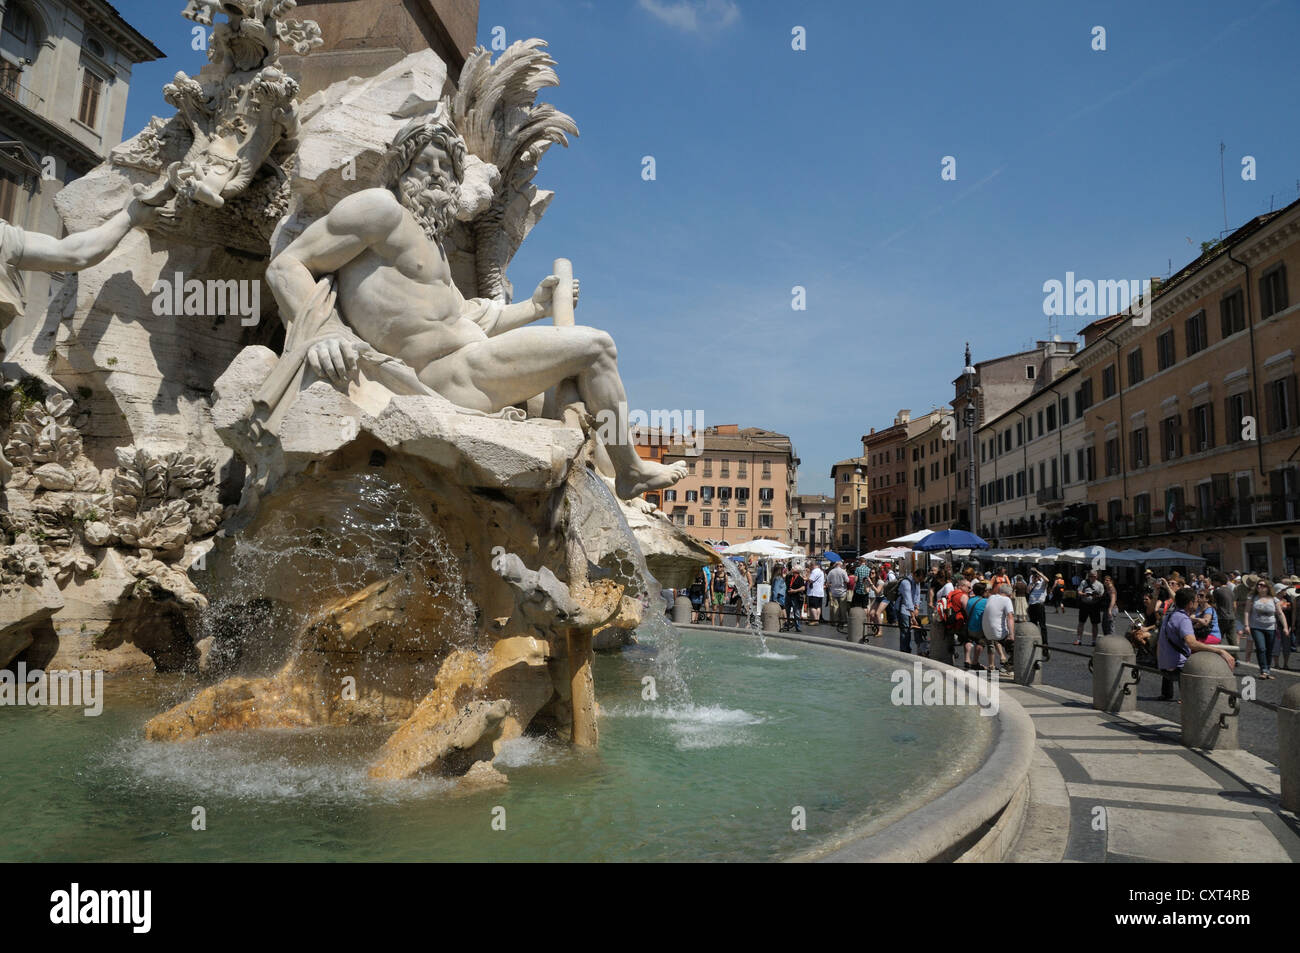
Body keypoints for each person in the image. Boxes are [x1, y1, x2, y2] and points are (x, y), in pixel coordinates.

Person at [262, 116, 687, 502]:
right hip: (441, 377)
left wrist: (533, 307)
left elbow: (467, 317)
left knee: (566, 392)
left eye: (445, 168)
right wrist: (325, 330)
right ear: (400, 171)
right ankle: (631, 470)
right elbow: (287, 265)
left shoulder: (434, 246)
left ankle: (609, 480)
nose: (436, 175)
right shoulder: (379, 208)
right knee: (597, 347)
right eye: (423, 165)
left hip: (468, 366)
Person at [1158, 587, 1236, 700]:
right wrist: (1220, 651)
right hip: (1177, 667)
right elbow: (1192, 644)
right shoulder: (1183, 619)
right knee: (1208, 670)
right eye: (1195, 600)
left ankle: (1170, 694)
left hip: (1163, 664)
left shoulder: (1168, 616)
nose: (1197, 602)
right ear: (1190, 603)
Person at [1247, 577, 1289, 680]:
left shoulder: (1274, 599)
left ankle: (1268, 670)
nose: (1260, 587)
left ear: (1267, 587)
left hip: (1270, 627)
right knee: (1261, 648)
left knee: (1269, 650)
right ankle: (1263, 670)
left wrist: (1285, 627)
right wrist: (1246, 625)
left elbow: (1280, 613)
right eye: (1258, 585)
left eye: (1262, 585)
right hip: (1256, 627)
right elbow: (1247, 612)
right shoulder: (1252, 598)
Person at [982, 583, 1016, 675]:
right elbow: (1010, 617)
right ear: (1009, 594)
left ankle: (1008, 663)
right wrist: (1011, 635)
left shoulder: (991, 597)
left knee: (1009, 645)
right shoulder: (1006, 600)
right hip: (998, 633)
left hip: (987, 632)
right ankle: (1007, 668)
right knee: (1018, 647)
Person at [896, 567, 924, 655]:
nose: (919, 582)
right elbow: (907, 600)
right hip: (903, 609)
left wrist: (917, 607)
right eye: (919, 579)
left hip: (911, 609)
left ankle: (910, 649)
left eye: (921, 580)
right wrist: (912, 615)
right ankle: (905, 651)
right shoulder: (905, 583)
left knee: (913, 629)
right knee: (905, 631)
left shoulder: (917, 582)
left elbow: (917, 595)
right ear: (915, 575)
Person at [1074, 570, 1104, 646]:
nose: (1091, 578)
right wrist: (1084, 594)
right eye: (1090, 576)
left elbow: (1102, 595)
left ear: (1096, 576)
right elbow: (1079, 591)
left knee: (1095, 624)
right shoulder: (1084, 582)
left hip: (1095, 605)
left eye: (1093, 576)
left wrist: (1096, 596)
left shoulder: (1099, 585)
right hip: (1084, 604)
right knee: (1081, 622)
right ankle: (1078, 639)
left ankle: (1094, 641)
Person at [965, 582, 990, 671]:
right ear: (983, 591)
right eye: (986, 590)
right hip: (979, 628)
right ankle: (975, 662)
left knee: (969, 640)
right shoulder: (986, 601)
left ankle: (967, 659)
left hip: (969, 627)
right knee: (981, 643)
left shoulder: (969, 600)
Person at [1027, 568, 1049, 642]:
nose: (1036, 577)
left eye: (1037, 576)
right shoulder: (1032, 581)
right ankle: (1034, 640)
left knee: (1042, 625)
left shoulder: (1043, 583)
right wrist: (1032, 583)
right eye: (1035, 576)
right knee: (1033, 624)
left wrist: (1038, 572)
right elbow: (1027, 591)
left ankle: (1045, 642)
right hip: (1031, 605)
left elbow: (1047, 580)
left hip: (1039, 605)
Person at [826, 559, 849, 626]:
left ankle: (836, 621)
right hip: (842, 591)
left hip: (834, 591)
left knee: (835, 607)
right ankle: (843, 621)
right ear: (840, 565)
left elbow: (828, 581)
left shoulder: (831, 572)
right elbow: (847, 581)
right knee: (843, 607)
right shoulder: (843, 571)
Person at [785, 566, 806, 632]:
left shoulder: (800, 579)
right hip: (788, 596)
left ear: (797, 571)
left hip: (795, 596)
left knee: (796, 612)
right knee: (787, 611)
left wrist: (794, 590)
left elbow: (803, 588)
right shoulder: (789, 577)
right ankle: (787, 625)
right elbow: (785, 576)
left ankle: (798, 627)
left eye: (793, 568)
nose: (792, 568)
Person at [806, 560, 826, 625]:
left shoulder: (815, 571)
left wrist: (806, 577)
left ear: (812, 565)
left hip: (813, 592)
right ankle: (817, 619)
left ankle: (815, 620)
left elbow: (810, 580)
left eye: (810, 566)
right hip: (819, 592)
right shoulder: (821, 571)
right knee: (818, 607)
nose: (809, 567)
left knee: (812, 606)